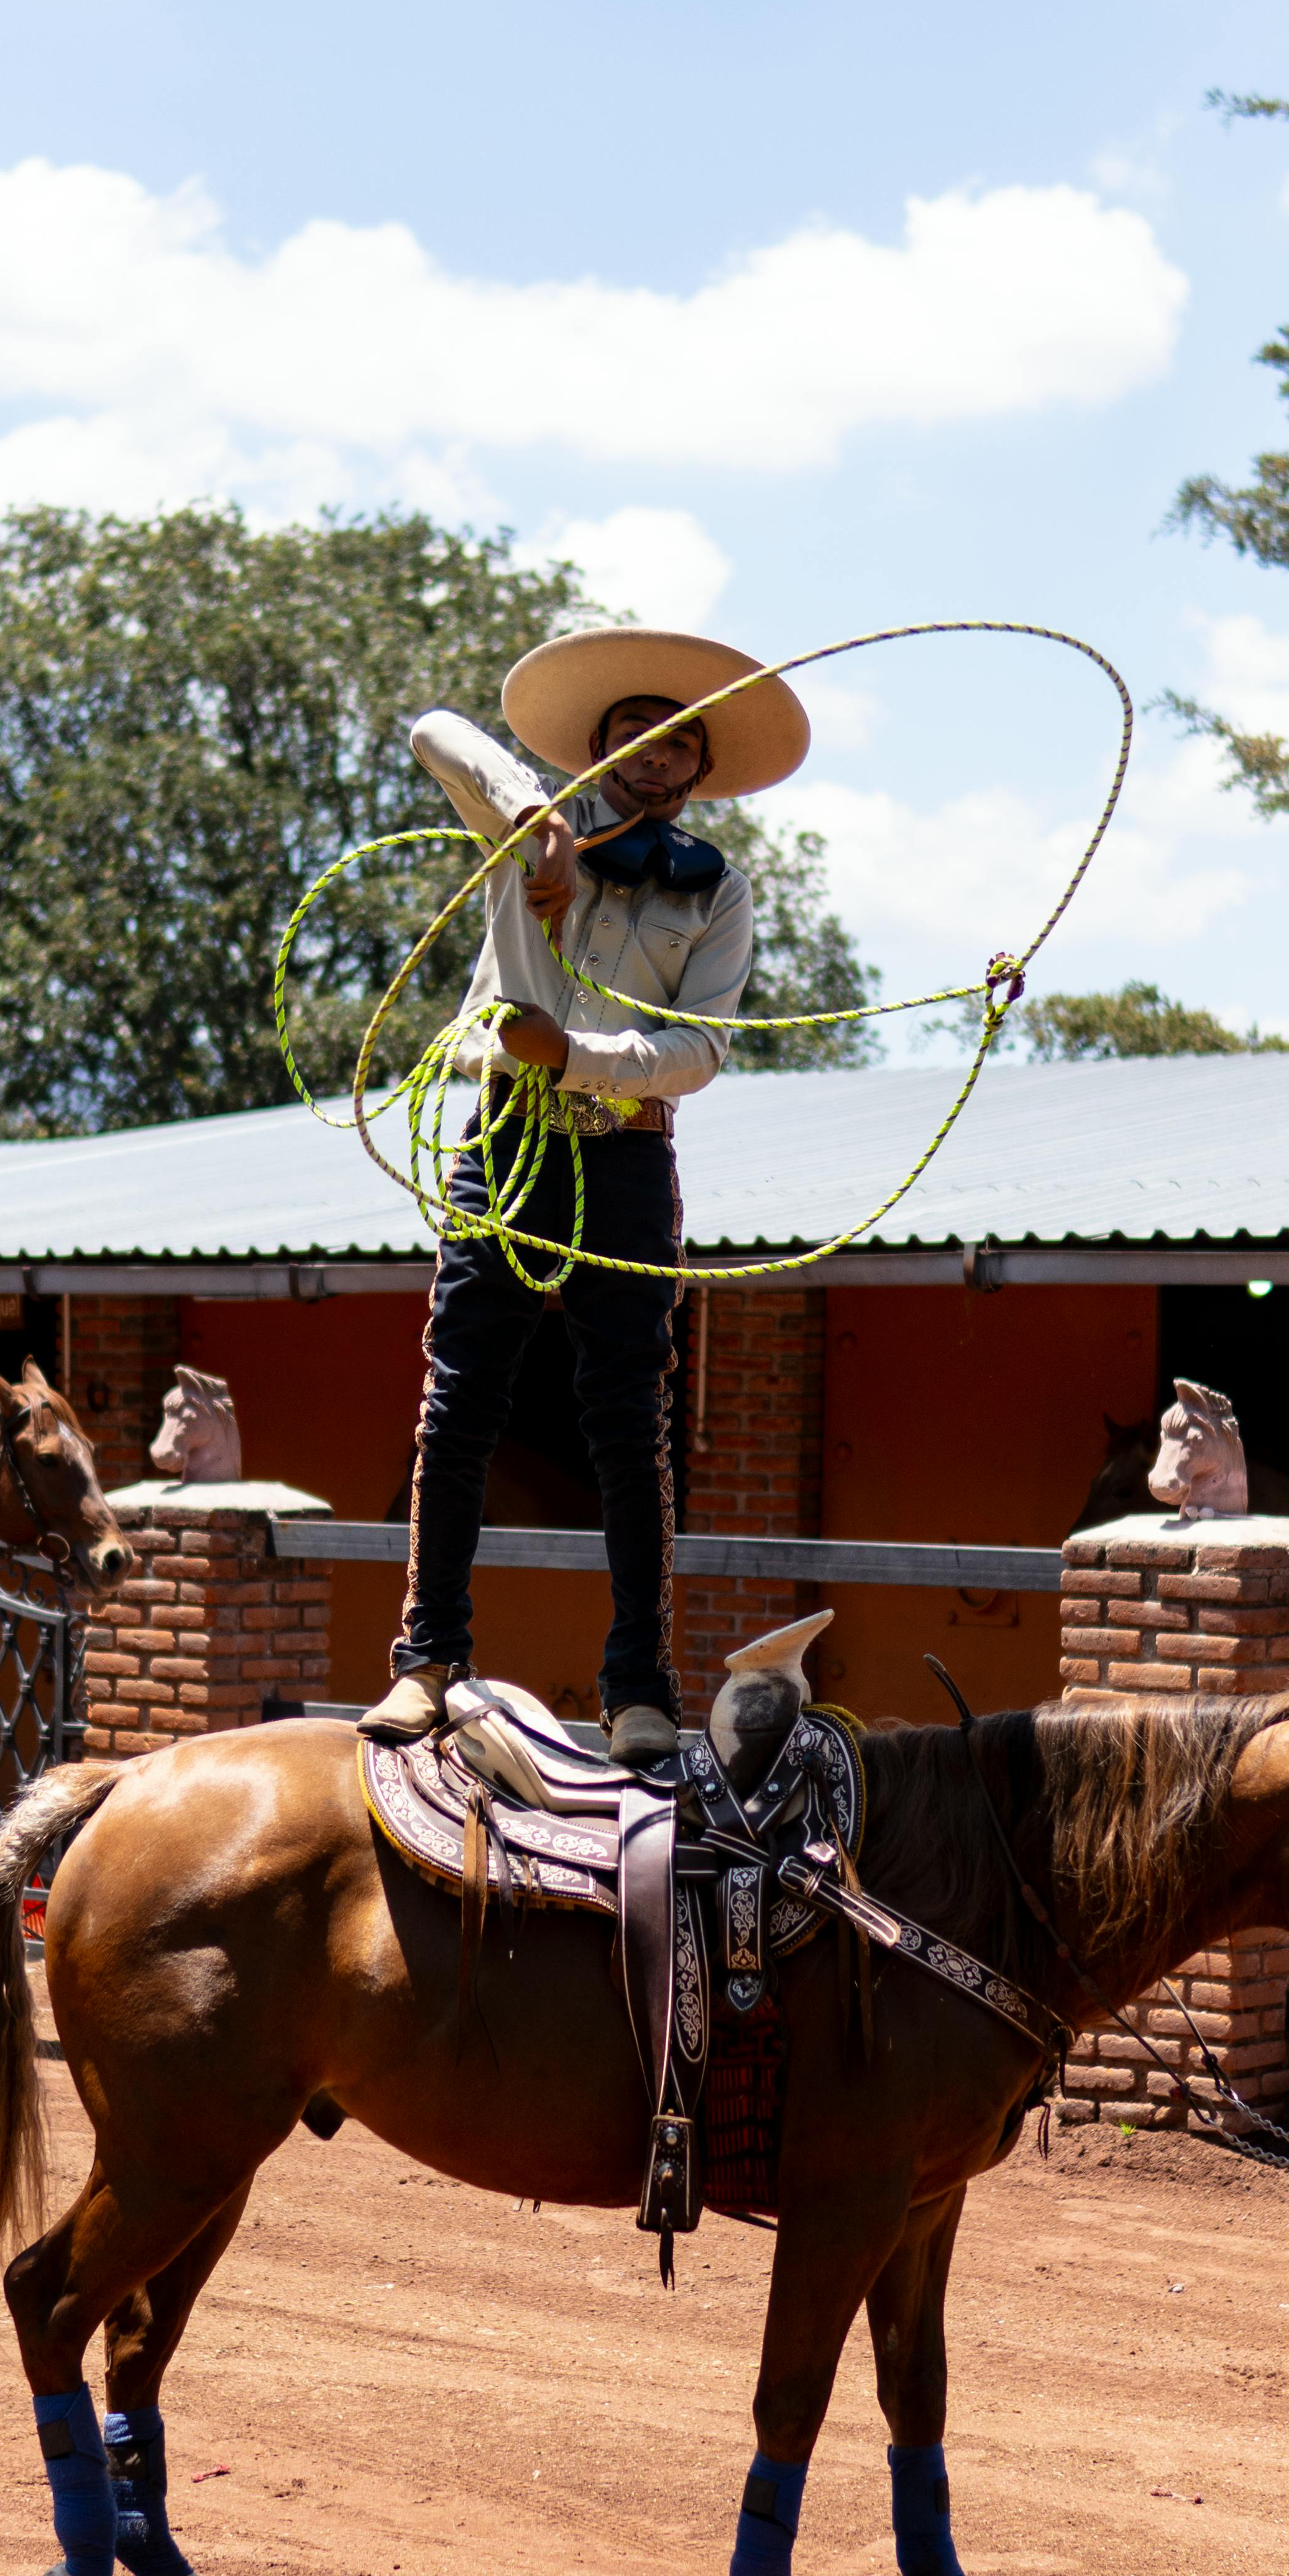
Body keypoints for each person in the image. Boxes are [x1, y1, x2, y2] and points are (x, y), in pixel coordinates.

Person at [359, 625, 810, 1768]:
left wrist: (574, 1055)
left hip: (621, 1155)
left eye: (675, 750)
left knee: (626, 1423)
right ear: (600, 748)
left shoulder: (718, 890)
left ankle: (637, 1691)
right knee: (459, 1401)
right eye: (633, 737)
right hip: (503, 1141)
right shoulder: (520, 835)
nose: (652, 761)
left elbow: (698, 1051)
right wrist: (525, 814)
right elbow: (433, 731)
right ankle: (425, 1661)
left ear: (692, 776)